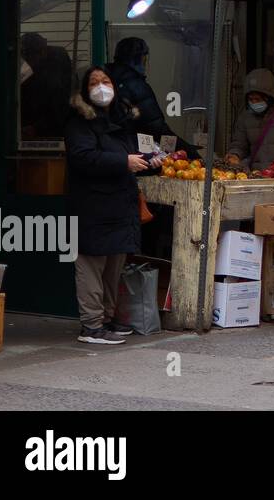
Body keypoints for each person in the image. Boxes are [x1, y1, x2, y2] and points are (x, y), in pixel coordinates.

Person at [65, 65, 165, 345]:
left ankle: (107, 318)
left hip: (119, 205)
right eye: (94, 82)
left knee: (113, 265)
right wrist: (125, 162)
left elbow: (130, 157)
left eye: (105, 80)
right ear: (85, 91)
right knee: (91, 266)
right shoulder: (79, 123)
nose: (100, 87)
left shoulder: (121, 121)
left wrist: (149, 162)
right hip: (92, 206)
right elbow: (83, 157)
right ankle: (92, 325)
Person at [107, 37, 199, 158]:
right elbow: (157, 130)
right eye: (145, 57)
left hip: (109, 153)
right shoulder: (136, 85)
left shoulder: (105, 78)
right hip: (132, 154)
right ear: (140, 58)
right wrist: (190, 152)